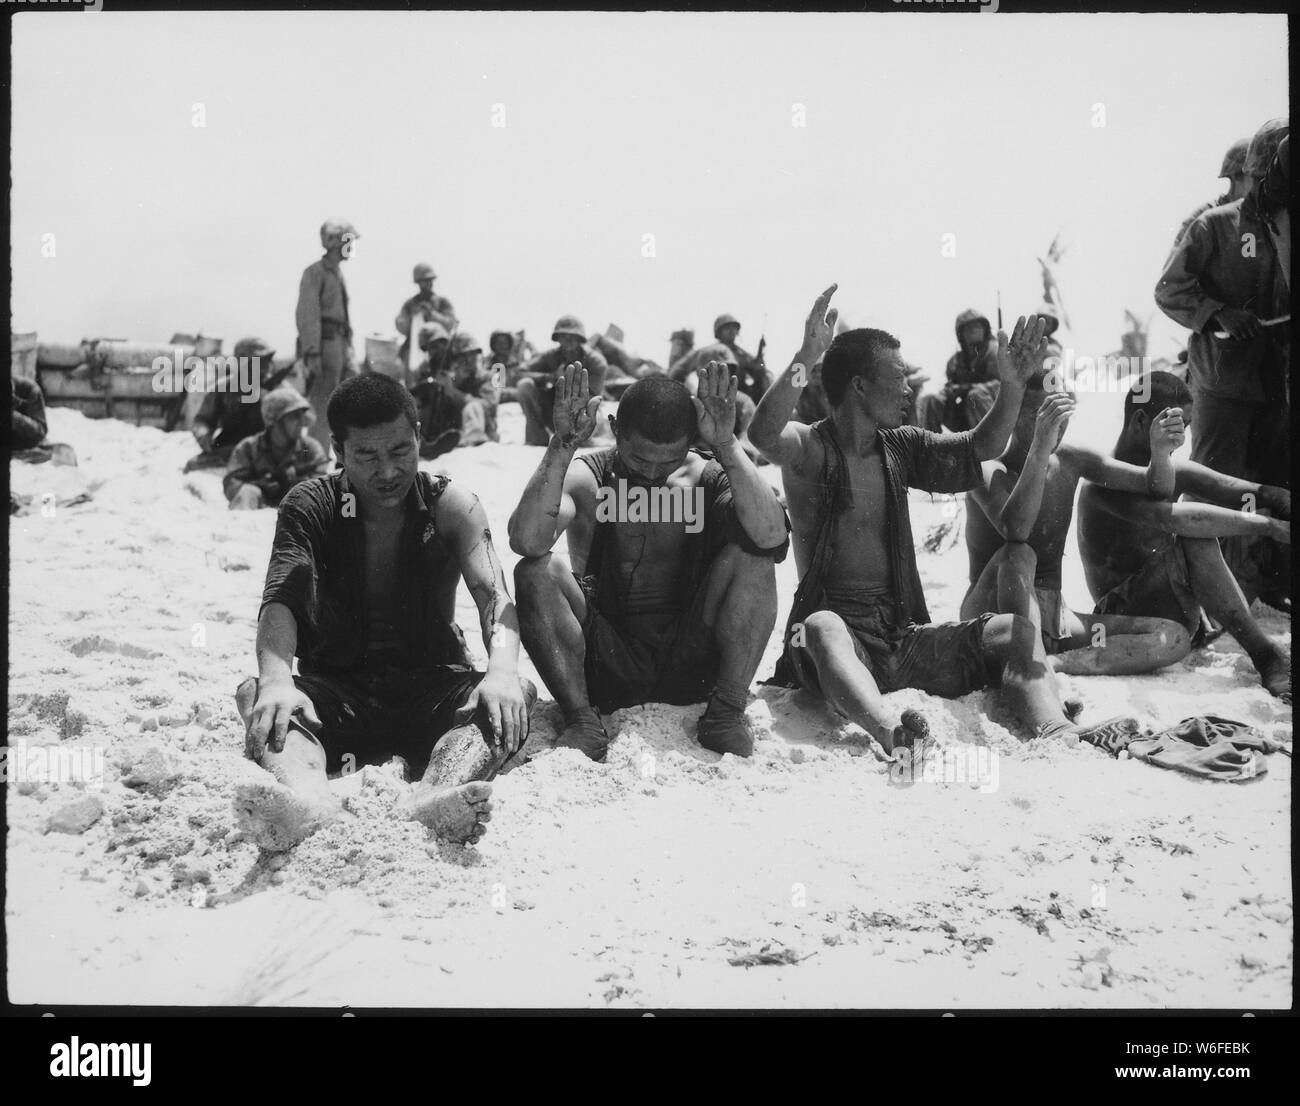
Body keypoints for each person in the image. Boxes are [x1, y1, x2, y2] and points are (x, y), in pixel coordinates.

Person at [750, 286, 1141, 755]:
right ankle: (892, 732)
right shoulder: (809, 449)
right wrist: (806, 354)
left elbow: (983, 445)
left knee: (1014, 630)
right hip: (836, 645)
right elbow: (762, 434)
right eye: (897, 376)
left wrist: (1013, 385)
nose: (909, 387)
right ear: (859, 385)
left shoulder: (902, 446)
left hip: (903, 638)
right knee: (822, 624)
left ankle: (1054, 727)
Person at [233, 373, 534, 851]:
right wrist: (276, 679)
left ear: (418, 434)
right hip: (338, 691)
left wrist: (500, 669)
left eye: (399, 451)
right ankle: (309, 803)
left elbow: (493, 597)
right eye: (367, 456)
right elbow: (281, 599)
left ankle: (437, 794)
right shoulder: (310, 504)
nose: (388, 471)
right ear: (337, 448)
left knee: (512, 692)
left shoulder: (452, 505)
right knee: (258, 695)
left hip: (432, 684)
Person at [510, 365, 790, 762]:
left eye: (668, 462)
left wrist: (727, 446)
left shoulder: (706, 474)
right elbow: (526, 541)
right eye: (640, 459)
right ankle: (581, 718)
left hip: (692, 663)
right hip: (606, 662)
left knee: (754, 559)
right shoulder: (589, 476)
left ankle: (726, 712)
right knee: (536, 571)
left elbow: (771, 537)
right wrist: (562, 444)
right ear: (614, 428)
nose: (654, 475)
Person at [1078, 371, 1291, 702]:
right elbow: (1174, 519)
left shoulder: (1170, 471)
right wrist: (1267, 526)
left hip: (1171, 610)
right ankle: (1266, 654)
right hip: (1123, 616)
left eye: (1186, 428)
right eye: (1176, 427)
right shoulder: (1103, 479)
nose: (1182, 438)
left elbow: (1239, 490)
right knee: (1196, 535)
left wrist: (1277, 500)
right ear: (1140, 422)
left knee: (1221, 523)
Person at [962, 371, 1193, 675]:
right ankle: (1032, 665)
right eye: (1044, 414)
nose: (1055, 425)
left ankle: (1056, 665)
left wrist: (1160, 453)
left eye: (1063, 413)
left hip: (1055, 616)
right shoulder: (986, 470)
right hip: (993, 614)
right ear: (1012, 415)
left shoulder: (1072, 459)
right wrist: (1039, 451)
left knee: (1172, 637)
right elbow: (1017, 530)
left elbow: (1155, 486)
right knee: (1018, 556)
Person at [1155, 118, 1290, 608]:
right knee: (1215, 489)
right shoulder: (1214, 225)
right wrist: (1220, 314)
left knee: (1274, 490)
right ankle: (1202, 599)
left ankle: (1266, 589)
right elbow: (1169, 290)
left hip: (1277, 388)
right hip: (1223, 384)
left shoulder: (1287, 225)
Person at [296, 218, 360, 455]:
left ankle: (344, 456)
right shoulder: (315, 273)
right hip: (325, 344)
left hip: (341, 343)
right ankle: (315, 457)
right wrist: (312, 351)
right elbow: (307, 313)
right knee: (323, 400)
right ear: (335, 242)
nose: (351, 246)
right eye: (348, 240)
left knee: (351, 397)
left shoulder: (338, 274)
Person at [185, 338, 288, 471]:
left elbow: (304, 418)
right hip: (231, 446)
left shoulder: (279, 388)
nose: (264, 367)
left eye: (266, 361)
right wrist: (204, 436)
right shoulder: (223, 387)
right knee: (193, 465)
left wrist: (273, 399)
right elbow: (202, 420)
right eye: (257, 361)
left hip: (268, 449)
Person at [224, 387, 330, 510]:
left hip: (295, 510)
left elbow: (320, 488)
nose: (301, 422)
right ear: (276, 420)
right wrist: (260, 485)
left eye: (302, 415)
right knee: (248, 492)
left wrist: (296, 482)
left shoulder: (310, 448)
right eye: (294, 416)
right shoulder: (248, 447)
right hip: (257, 508)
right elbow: (231, 483)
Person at [515, 316, 611, 446]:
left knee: (581, 436)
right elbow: (519, 373)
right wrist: (549, 378)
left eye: (573, 336)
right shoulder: (550, 356)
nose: (568, 340)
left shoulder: (596, 361)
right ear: (557, 338)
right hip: (554, 410)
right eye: (563, 335)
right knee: (524, 386)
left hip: (581, 412)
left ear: (580, 339)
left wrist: (567, 383)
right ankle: (536, 437)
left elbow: (592, 397)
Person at [917, 308, 1000, 433]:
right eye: (968, 328)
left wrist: (969, 387)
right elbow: (948, 388)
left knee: (976, 395)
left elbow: (1002, 385)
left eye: (977, 326)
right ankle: (929, 448)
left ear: (985, 329)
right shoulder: (955, 361)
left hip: (996, 414)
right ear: (961, 334)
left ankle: (989, 448)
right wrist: (950, 392)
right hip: (965, 415)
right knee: (930, 399)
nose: (973, 330)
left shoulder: (995, 352)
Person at [1166, 137, 1252, 257]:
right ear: (1236, 177)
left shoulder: (1270, 220)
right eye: (1255, 177)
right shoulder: (1203, 220)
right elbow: (1177, 273)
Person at [395, 263, 457, 367]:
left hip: (439, 352)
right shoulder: (410, 304)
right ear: (418, 282)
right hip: (414, 351)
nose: (429, 283)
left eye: (430, 280)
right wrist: (411, 318)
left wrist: (432, 315)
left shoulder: (442, 302)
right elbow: (400, 325)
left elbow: (451, 323)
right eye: (425, 280)